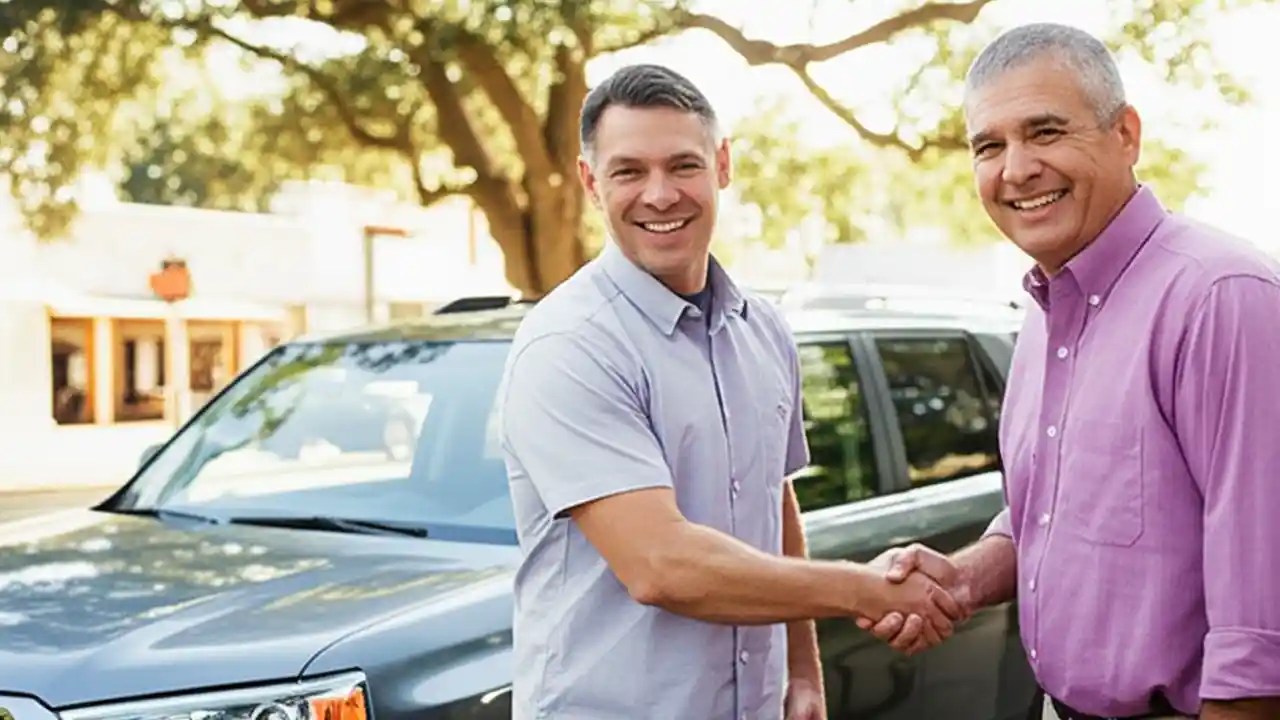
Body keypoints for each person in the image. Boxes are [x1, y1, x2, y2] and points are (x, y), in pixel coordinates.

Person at [496, 63, 963, 720]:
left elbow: (775, 498)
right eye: (629, 171)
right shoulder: (570, 345)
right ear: (590, 183)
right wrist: (865, 590)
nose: (660, 195)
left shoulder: (763, 328)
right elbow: (661, 565)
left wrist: (803, 674)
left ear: (722, 164)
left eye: (682, 165)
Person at [856, 22, 1280, 720]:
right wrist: (962, 580)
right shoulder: (1048, 309)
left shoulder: (1219, 296)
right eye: (989, 146)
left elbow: (1262, 622)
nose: (1016, 169)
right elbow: (1057, 510)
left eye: (1045, 132)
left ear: (1126, 135)